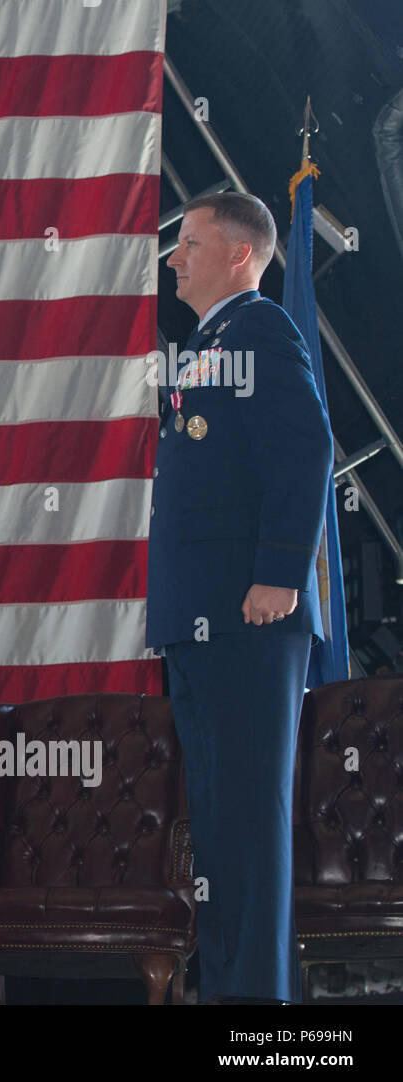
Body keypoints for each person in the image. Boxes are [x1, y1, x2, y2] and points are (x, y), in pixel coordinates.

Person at [150, 192, 333, 1003]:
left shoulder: (259, 329)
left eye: (188, 242)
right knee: (220, 833)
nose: (173, 256)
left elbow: (307, 445)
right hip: (204, 622)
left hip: (250, 617)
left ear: (240, 255)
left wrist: (282, 573)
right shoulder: (207, 341)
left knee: (250, 831)